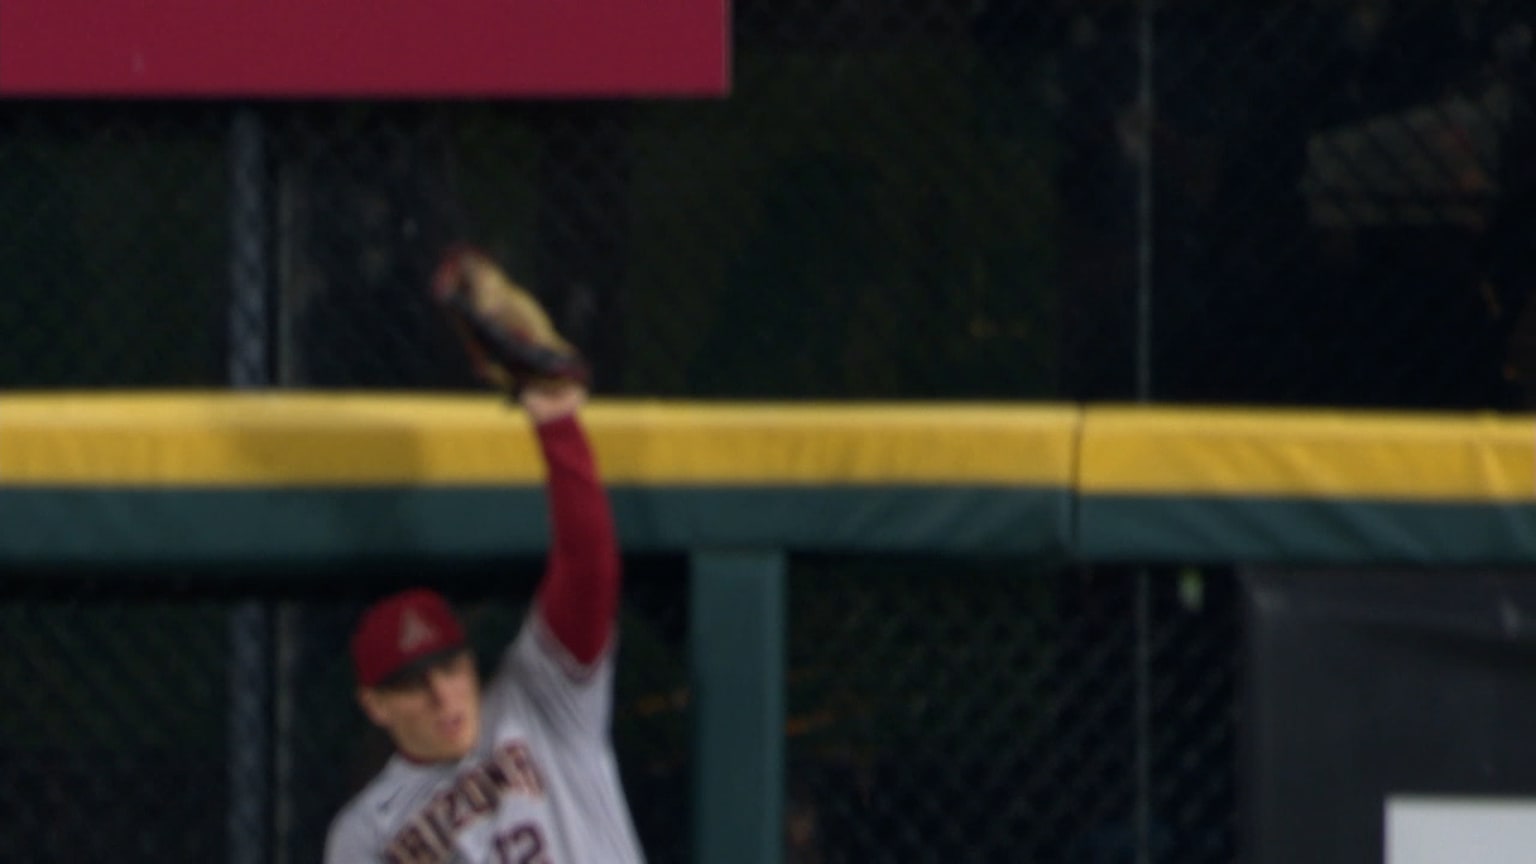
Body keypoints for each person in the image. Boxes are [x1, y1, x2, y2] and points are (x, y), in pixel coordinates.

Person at [323, 379, 644, 863]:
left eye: (450, 668)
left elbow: (589, 569)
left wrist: (557, 423)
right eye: (414, 684)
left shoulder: (538, 698)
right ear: (375, 705)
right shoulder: (366, 832)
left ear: (471, 664)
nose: (442, 695)